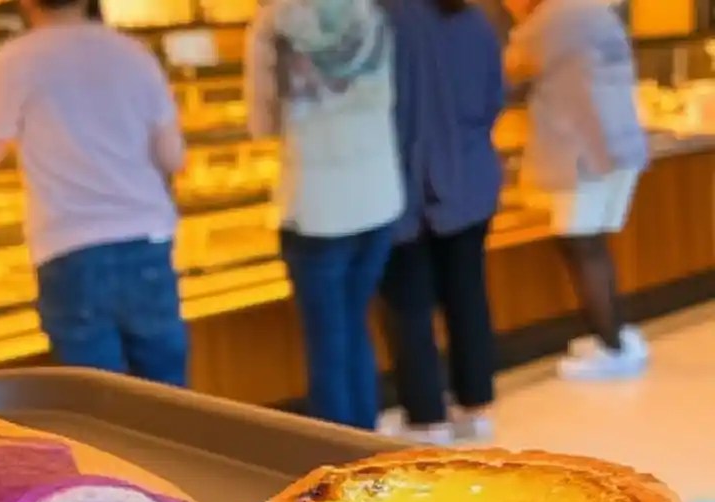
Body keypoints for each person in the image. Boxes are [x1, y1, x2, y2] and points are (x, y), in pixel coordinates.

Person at [0, 0, 190, 386]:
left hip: (68, 249)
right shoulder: (133, 52)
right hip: (146, 242)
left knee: (98, 404)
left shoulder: (15, 59)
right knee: (170, 396)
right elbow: (173, 156)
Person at [246, 0, 404, 430]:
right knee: (355, 326)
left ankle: (337, 457)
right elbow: (387, 98)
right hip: (378, 196)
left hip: (316, 204)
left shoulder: (272, 25)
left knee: (327, 342)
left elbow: (262, 123)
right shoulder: (368, 14)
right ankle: (364, 445)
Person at [379, 0, 505, 444]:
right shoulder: (474, 18)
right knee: (468, 294)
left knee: (408, 305)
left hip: (405, 184)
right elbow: (495, 98)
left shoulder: (387, 18)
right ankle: (475, 406)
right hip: (471, 178)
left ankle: (427, 416)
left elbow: (390, 112)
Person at [503, 0, 649, 380]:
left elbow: (507, 74)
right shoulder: (596, 10)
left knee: (581, 246)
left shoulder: (549, 21)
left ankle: (612, 349)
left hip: (584, 152)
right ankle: (616, 335)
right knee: (594, 245)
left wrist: (521, 26)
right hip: (619, 145)